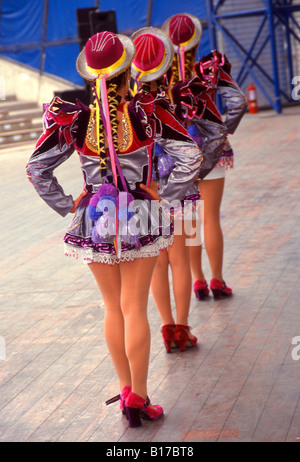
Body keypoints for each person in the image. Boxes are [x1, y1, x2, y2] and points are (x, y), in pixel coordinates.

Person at [26, 31, 202, 427]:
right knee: (133, 307)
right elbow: (191, 154)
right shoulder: (147, 111)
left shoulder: (74, 117)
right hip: (139, 212)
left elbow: (36, 168)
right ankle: (139, 396)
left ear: (91, 75)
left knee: (112, 308)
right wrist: (168, 196)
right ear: (127, 71)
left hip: (93, 215)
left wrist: (67, 201)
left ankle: (126, 392)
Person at [130, 25, 205, 353]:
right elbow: (195, 149)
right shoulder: (175, 96)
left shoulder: (126, 106)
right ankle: (182, 329)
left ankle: (166, 328)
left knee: (158, 262)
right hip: (180, 192)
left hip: (145, 196)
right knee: (181, 261)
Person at [162, 13, 248, 301]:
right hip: (212, 152)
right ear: (197, 41)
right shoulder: (209, 69)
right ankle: (217, 280)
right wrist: (224, 130)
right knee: (211, 218)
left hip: (178, 160)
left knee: (190, 222)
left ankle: (197, 280)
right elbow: (238, 102)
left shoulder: (161, 78)